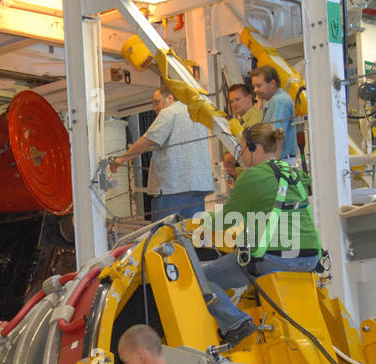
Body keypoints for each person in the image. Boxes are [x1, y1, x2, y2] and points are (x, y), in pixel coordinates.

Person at [196, 122, 323, 347]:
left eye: (243, 150)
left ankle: (237, 323)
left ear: (254, 147)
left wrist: (195, 223)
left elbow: (228, 219)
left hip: (274, 257)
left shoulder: (252, 176)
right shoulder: (295, 174)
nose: (242, 157)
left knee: (201, 278)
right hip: (311, 257)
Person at [109, 88, 214, 221]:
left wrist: (121, 159)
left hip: (173, 187)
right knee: (191, 235)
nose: (154, 108)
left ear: (170, 98)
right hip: (198, 188)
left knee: (163, 237)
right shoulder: (197, 113)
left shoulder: (170, 112)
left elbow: (148, 140)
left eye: (157, 102)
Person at [250, 65, 299, 161]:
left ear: (272, 83)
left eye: (259, 86)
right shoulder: (275, 101)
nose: (255, 90)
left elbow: (275, 136)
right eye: (254, 87)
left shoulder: (279, 101)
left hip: (281, 161)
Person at [221, 83, 262, 176]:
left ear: (249, 97)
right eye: (231, 101)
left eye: (237, 99)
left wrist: (230, 157)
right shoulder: (238, 123)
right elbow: (229, 151)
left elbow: (248, 148)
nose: (234, 104)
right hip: (243, 174)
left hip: (256, 174)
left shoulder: (258, 117)